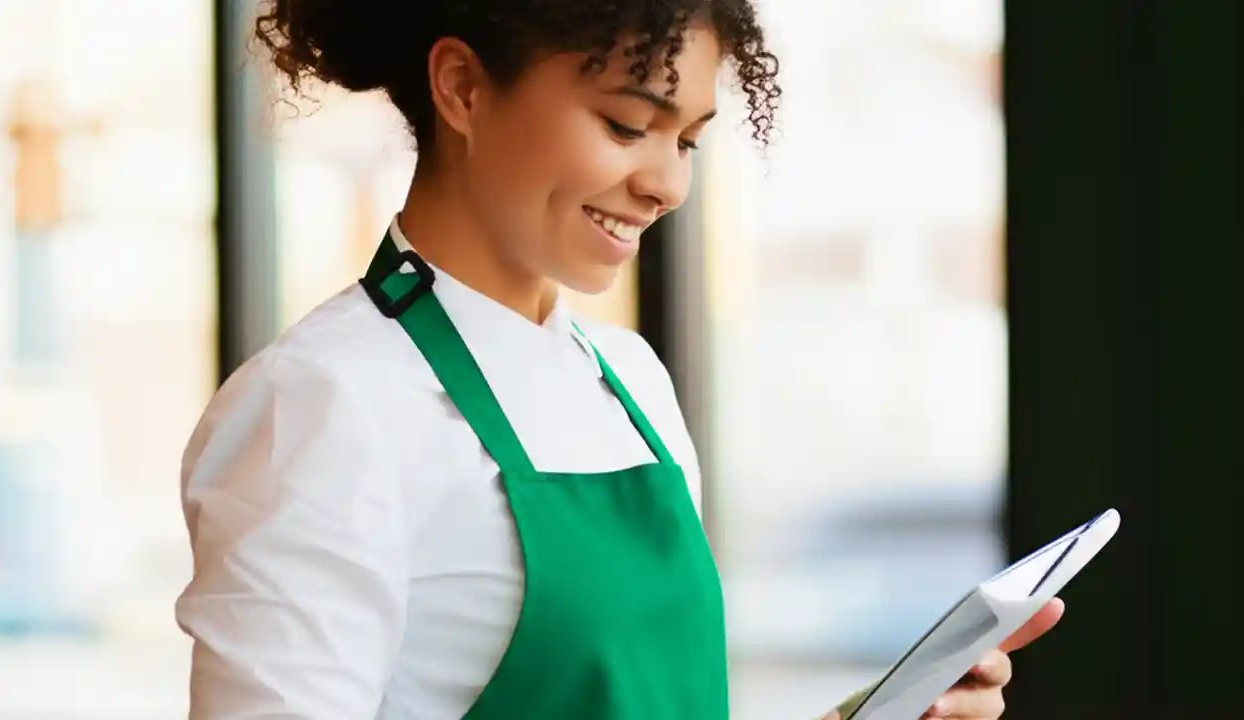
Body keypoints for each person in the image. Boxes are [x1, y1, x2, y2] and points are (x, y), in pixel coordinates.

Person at [174, 1, 1065, 718]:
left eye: (686, 141)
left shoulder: (627, 379)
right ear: (461, 87)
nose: (667, 184)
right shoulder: (326, 403)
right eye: (626, 123)